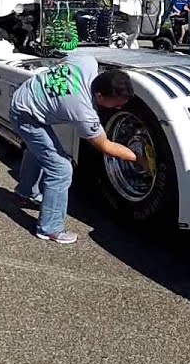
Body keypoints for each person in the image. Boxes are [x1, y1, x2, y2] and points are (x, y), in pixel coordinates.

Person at [9, 54, 147, 244]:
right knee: (61, 169)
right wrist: (139, 159)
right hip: (26, 116)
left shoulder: (86, 62)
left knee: (39, 151)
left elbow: (64, 60)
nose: (120, 107)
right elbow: (106, 145)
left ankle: (25, 192)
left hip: (26, 95)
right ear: (99, 96)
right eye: (117, 103)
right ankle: (50, 228)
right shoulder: (82, 110)